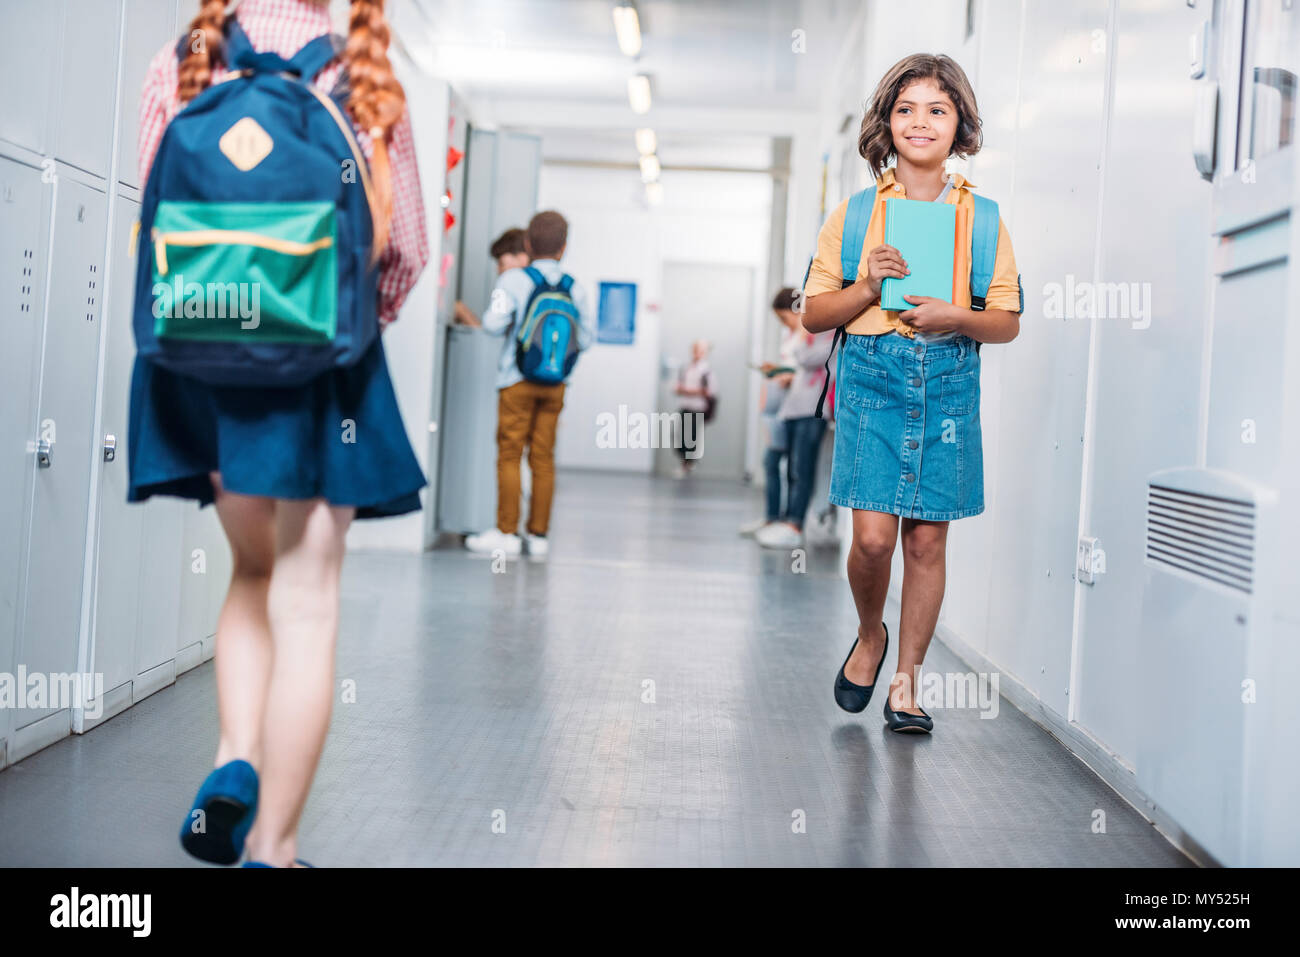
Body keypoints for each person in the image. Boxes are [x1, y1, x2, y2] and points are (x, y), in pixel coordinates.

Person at [128, 0, 428, 866]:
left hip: (207, 364)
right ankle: (274, 847)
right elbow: (399, 249)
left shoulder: (181, 61)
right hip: (322, 368)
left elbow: (160, 224)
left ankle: (232, 759)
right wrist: (351, 317)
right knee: (307, 597)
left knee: (250, 570)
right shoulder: (365, 76)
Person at [801, 53, 1023, 734]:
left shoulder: (982, 218)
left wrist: (956, 316)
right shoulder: (856, 212)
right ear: (886, 123)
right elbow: (814, 314)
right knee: (872, 541)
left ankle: (907, 682)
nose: (920, 122)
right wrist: (869, 286)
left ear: (959, 124)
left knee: (927, 542)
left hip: (949, 376)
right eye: (906, 109)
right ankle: (872, 635)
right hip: (872, 375)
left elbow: (1006, 322)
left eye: (937, 109)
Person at [464, 211, 595, 558]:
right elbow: (588, 337)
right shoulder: (575, 287)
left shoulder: (512, 281)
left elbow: (493, 324)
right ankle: (538, 537)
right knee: (544, 458)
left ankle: (506, 533)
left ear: (527, 243)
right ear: (564, 247)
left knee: (510, 454)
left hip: (515, 379)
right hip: (556, 384)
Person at [754, 317, 837, 550]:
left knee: (802, 469)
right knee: (791, 470)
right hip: (793, 409)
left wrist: (801, 338)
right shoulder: (814, 337)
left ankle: (795, 525)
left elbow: (805, 358)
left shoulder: (833, 337)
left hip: (814, 411)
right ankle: (787, 521)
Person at [739, 289, 801, 536]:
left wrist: (788, 375)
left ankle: (785, 523)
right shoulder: (791, 336)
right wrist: (777, 369)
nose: (784, 324)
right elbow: (793, 367)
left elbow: (808, 371)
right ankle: (772, 518)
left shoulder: (808, 333)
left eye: (784, 318)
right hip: (782, 406)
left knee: (792, 468)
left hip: (798, 407)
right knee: (772, 461)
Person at [453, 228, 529, 327]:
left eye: (501, 263)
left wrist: (464, 314)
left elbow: (492, 325)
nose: (498, 270)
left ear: (522, 258)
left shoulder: (509, 281)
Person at [673, 339, 713, 477]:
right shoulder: (686, 367)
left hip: (697, 408)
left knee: (692, 437)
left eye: (701, 351)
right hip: (685, 405)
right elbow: (678, 388)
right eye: (696, 350)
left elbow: (708, 391)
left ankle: (688, 464)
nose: (698, 353)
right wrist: (685, 390)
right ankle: (685, 462)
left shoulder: (706, 370)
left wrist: (689, 391)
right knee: (679, 436)